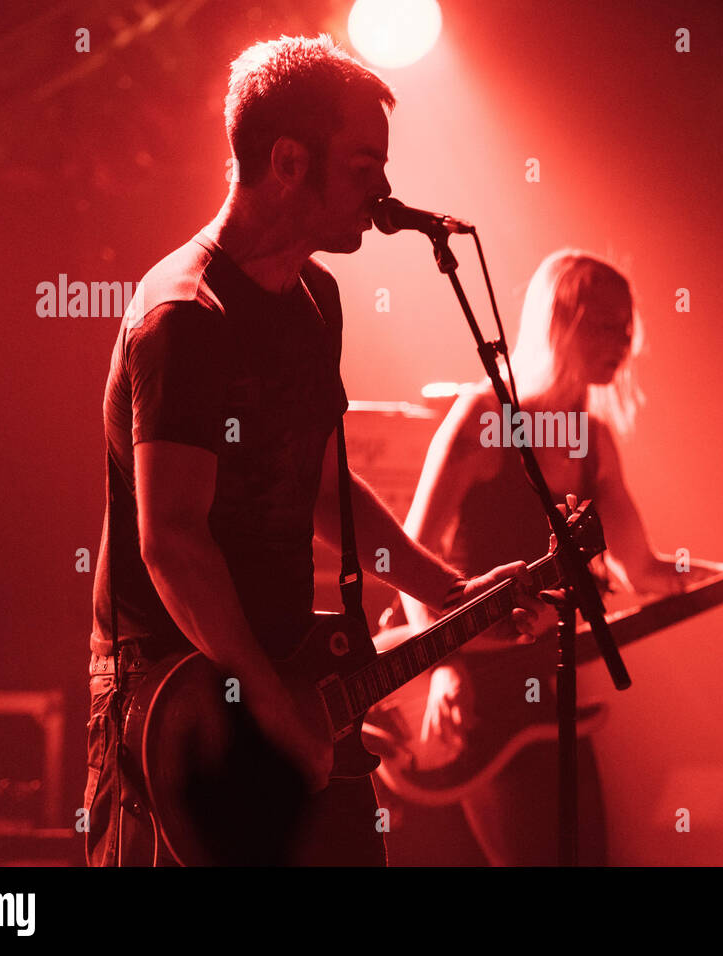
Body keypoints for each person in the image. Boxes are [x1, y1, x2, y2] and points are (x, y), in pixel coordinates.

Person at [84, 35, 537, 867]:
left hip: (294, 679)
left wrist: (449, 591)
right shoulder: (184, 317)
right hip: (180, 704)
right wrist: (265, 698)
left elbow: (323, 484)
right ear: (288, 161)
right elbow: (173, 541)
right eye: (364, 166)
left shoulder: (316, 300)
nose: (384, 189)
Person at [379, 249, 723, 865]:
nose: (623, 340)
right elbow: (403, 557)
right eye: (605, 322)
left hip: (550, 698)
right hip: (472, 707)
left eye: (627, 325)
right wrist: (445, 665)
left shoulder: (594, 442)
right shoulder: (486, 418)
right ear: (561, 321)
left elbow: (645, 572)